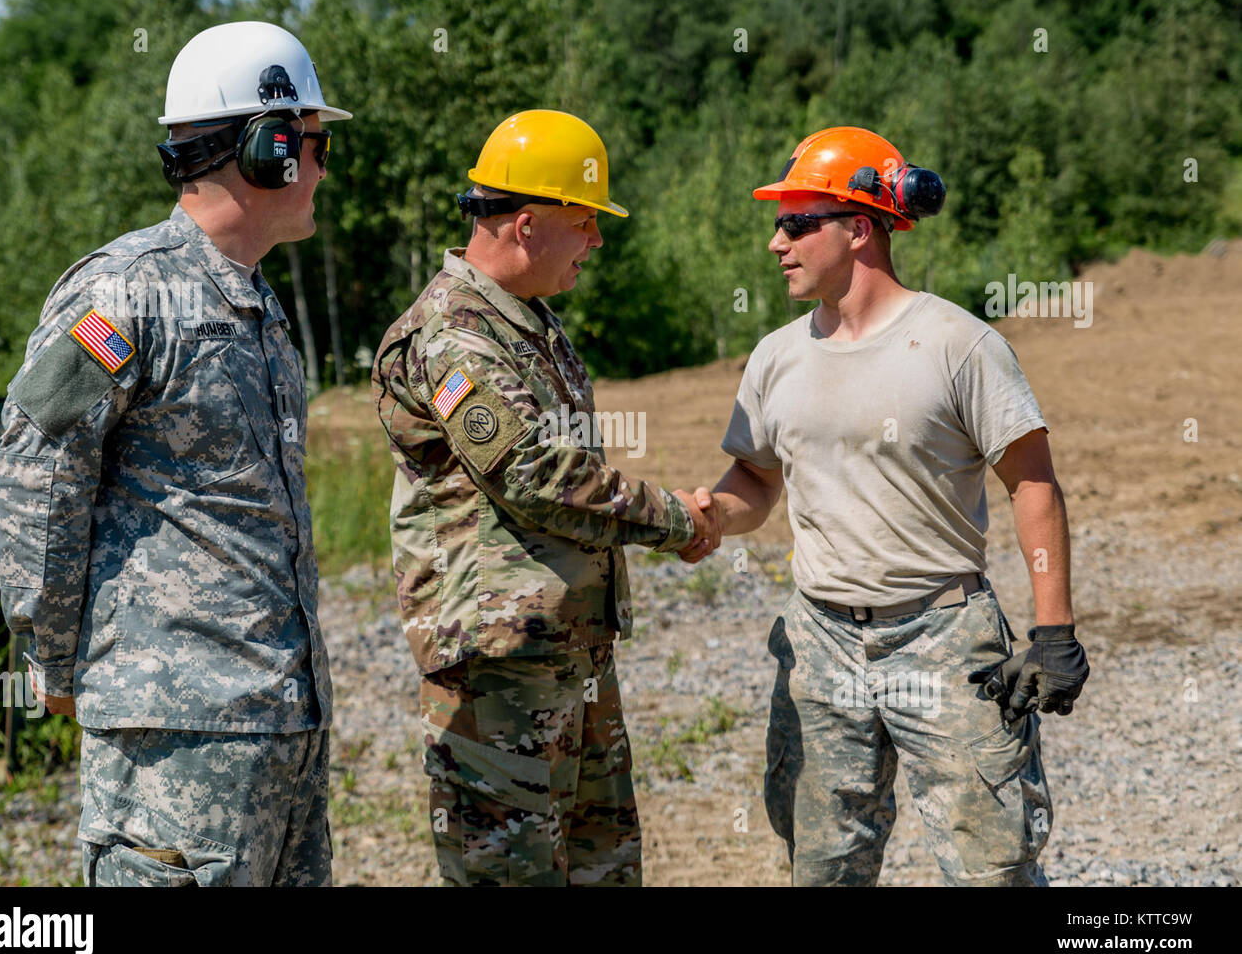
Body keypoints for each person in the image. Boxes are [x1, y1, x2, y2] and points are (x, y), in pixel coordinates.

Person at [0, 21, 350, 887]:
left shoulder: (255, 300)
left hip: (279, 725)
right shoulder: (126, 293)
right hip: (174, 737)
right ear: (266, 148)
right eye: (315, 143)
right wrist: (53, 654)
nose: (324, 167)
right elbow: (34, 467)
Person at [683, 126, 1088, 886]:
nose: (777, 243)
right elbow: (757, 482)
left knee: (992, 866)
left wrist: (1054, 631)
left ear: (858, 228)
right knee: (822, 866)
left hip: (943, 637)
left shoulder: (957, 345)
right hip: (820, 640)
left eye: (796, 223)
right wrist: (704, 516)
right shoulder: (776, 355)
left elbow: (1033, 482)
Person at [373, 109, 719, 886]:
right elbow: (529, 472)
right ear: (527, 224)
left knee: (602, 869)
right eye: (585, 221)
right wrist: (675, 520)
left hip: (570, 654)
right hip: (500, 672)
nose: (597, 240)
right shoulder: (451, 333)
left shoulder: (530, 323)